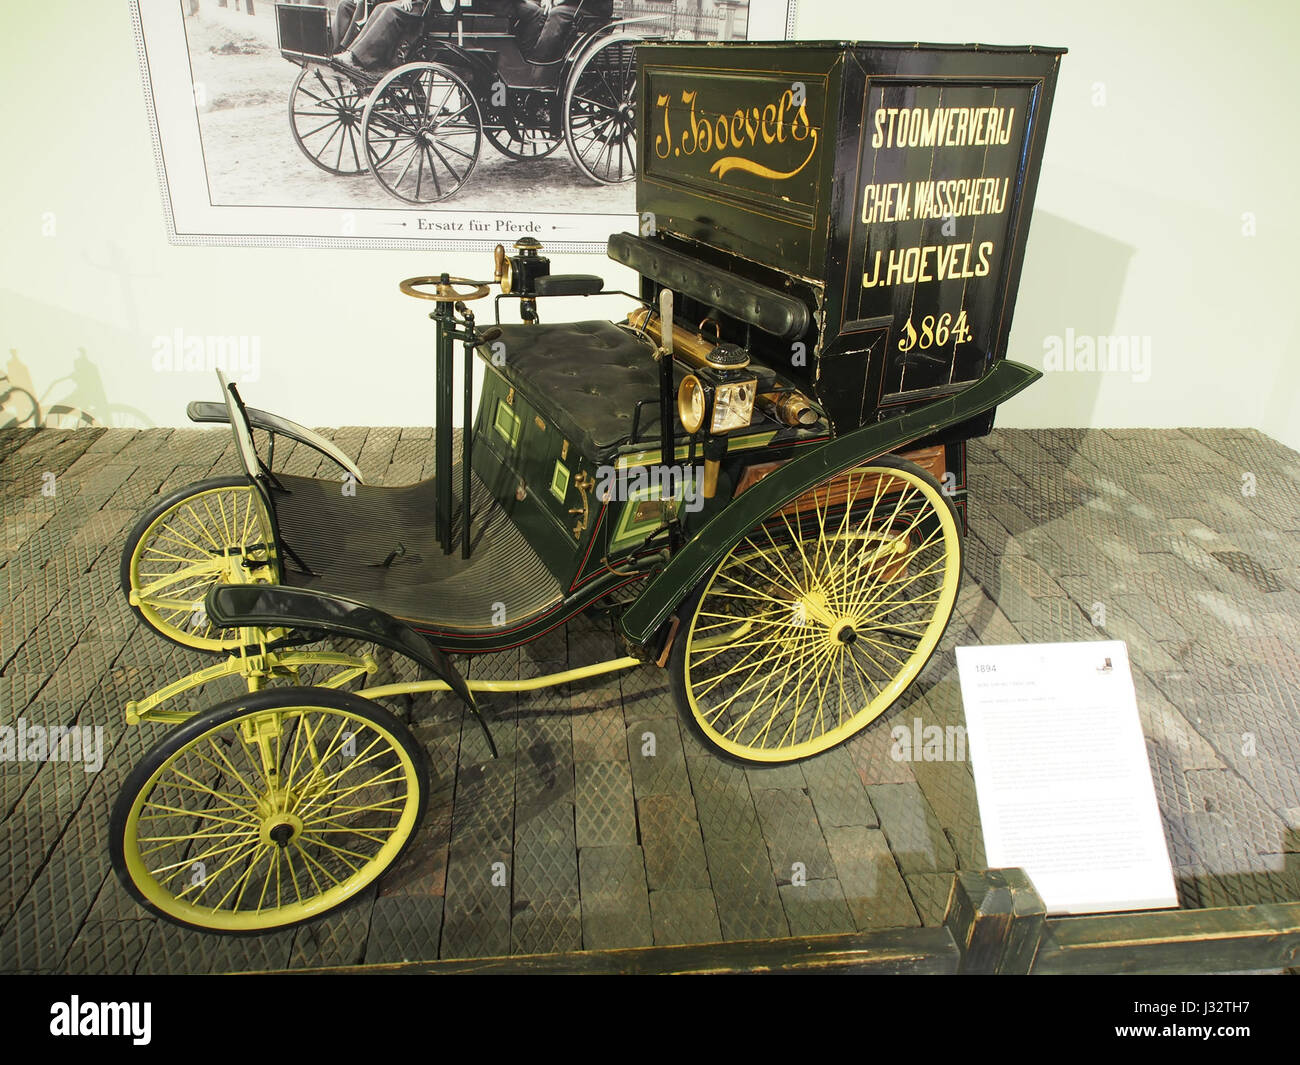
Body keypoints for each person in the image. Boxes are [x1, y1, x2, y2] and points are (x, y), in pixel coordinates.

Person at [332, 0, 426, 71]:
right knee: (378, 8)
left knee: (390, 10)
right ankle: (341, 50)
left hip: (421, 5)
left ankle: (356, 57)